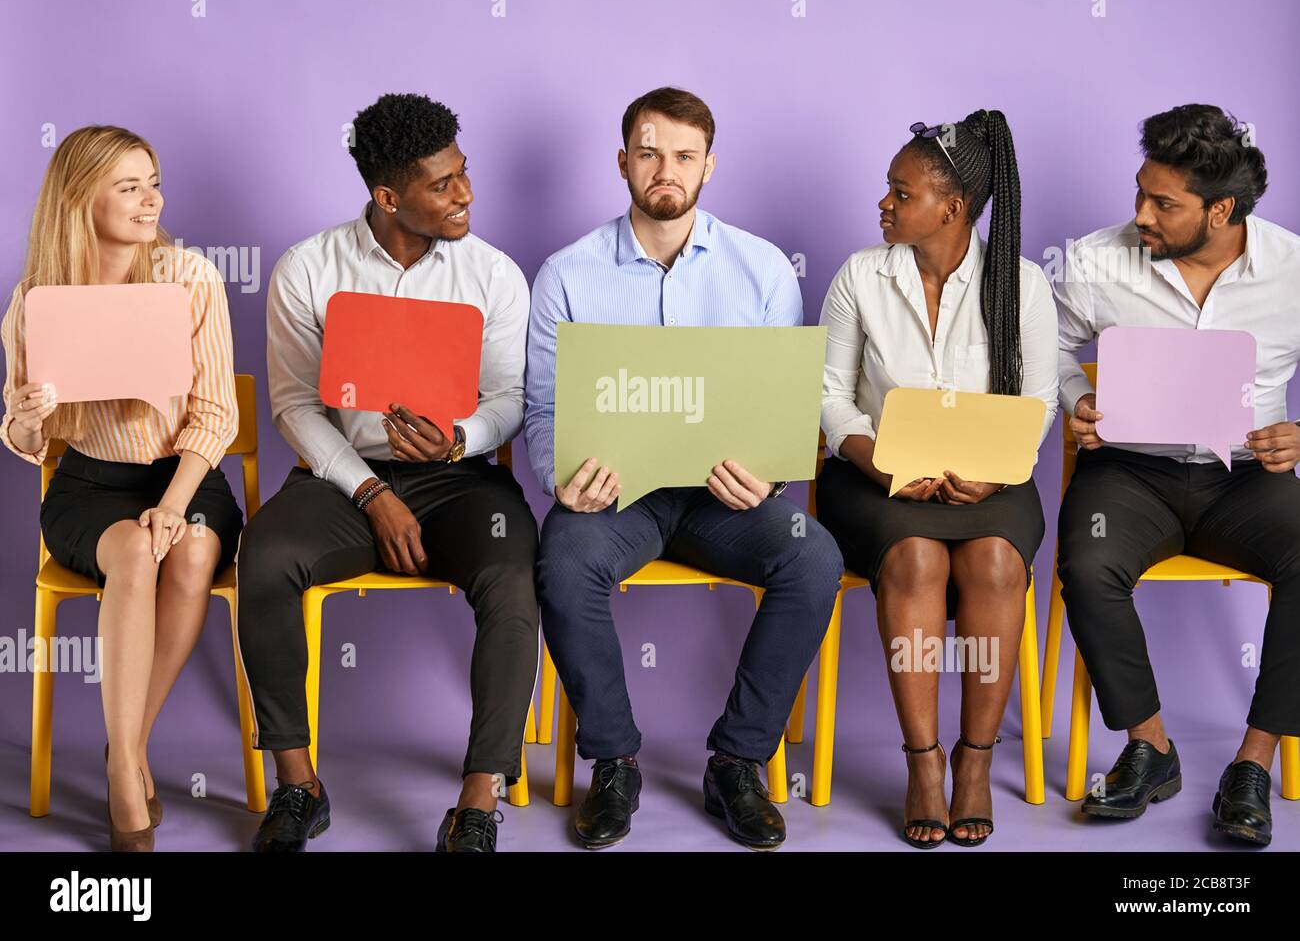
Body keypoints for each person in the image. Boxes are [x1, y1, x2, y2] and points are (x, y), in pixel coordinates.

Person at [526, 86, 844, 851]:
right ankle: (613, 762)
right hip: (618, 499)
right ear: (622, 162)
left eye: (683, 156)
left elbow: (781, 408)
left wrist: (768, 477)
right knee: (564, 558)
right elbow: (543, 412)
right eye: (648, 153)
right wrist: (560, 478)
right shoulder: (566, 272)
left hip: (722, 501)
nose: (664, 170)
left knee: (814, 553)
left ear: (709, 166)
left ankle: (738, 761)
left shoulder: (762, 268)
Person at [236, 94, 539, 853]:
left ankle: (478, 799)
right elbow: (294, 406)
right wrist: (370, 493)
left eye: (464, 174)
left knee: (511, 569)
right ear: (388, 196)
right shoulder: (309, 268)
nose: (466, 193)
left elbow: (509, 399)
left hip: (461, 480)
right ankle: (298, 786)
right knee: (265, 557)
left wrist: (460, 438)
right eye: (443, 185)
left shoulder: (494, 274)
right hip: (344, 478)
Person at [1055, 103, 1300, 847]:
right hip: (1130, 474)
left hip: (1247, 478)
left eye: (1164, 204)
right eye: (1140, 192)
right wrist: (1078, 399)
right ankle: (1150, 746)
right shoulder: (1098, 260)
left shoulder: (1291, 268)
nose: (1141, 216)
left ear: (1220, 210)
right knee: (1086, 560)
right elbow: (1051, 351)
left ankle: (1252, 761)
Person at [815, 110, 1058, 847]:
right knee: (918, 558)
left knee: (990, 561)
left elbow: (1039, 401)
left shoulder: (1020, 284)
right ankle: (923, 763)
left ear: (950, 208)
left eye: (900, 192)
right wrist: (882, 461)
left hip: (992, 483)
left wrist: (990, 475)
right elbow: (828, 394)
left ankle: (974, 760)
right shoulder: (861, 274)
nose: (884, 204)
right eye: (888, 191)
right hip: (874, 478)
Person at [1, 125, 242, 852]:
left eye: (153, 182)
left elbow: (218, 412)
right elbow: (26, 443)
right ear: (81, 198)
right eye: (128, 186)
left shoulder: (189, 276)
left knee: (194, 550)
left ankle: (124, 748)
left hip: (184, 476)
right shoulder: (37, 298)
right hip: (89, 486)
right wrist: (26, 422)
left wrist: (174, 506)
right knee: (136, 556)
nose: (151, 200)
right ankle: (128, 771)